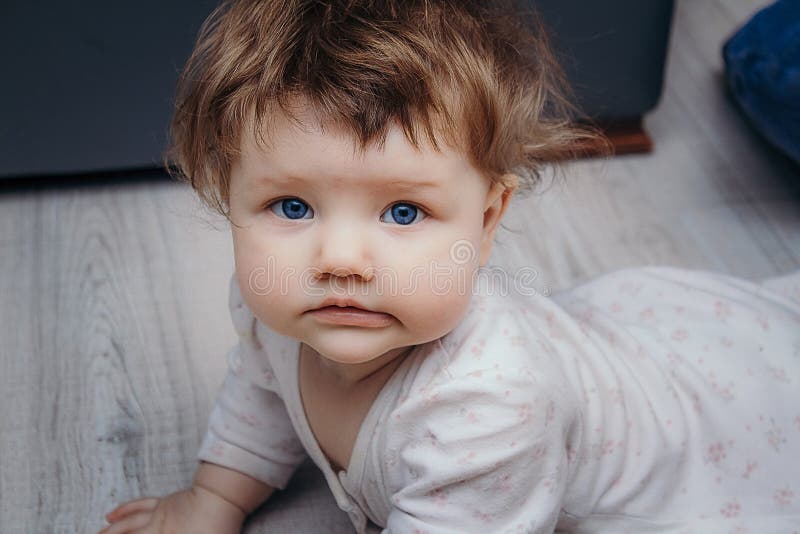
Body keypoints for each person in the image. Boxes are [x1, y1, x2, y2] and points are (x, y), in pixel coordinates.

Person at [100, 0, 800, 532]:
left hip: (703, 436)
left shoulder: (489, 409)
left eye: (403, 212)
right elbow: (261, 393)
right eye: (290, 207)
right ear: (231, 197)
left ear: (488, 219)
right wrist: (214, 497)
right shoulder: (276, 302)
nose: (339, 260)